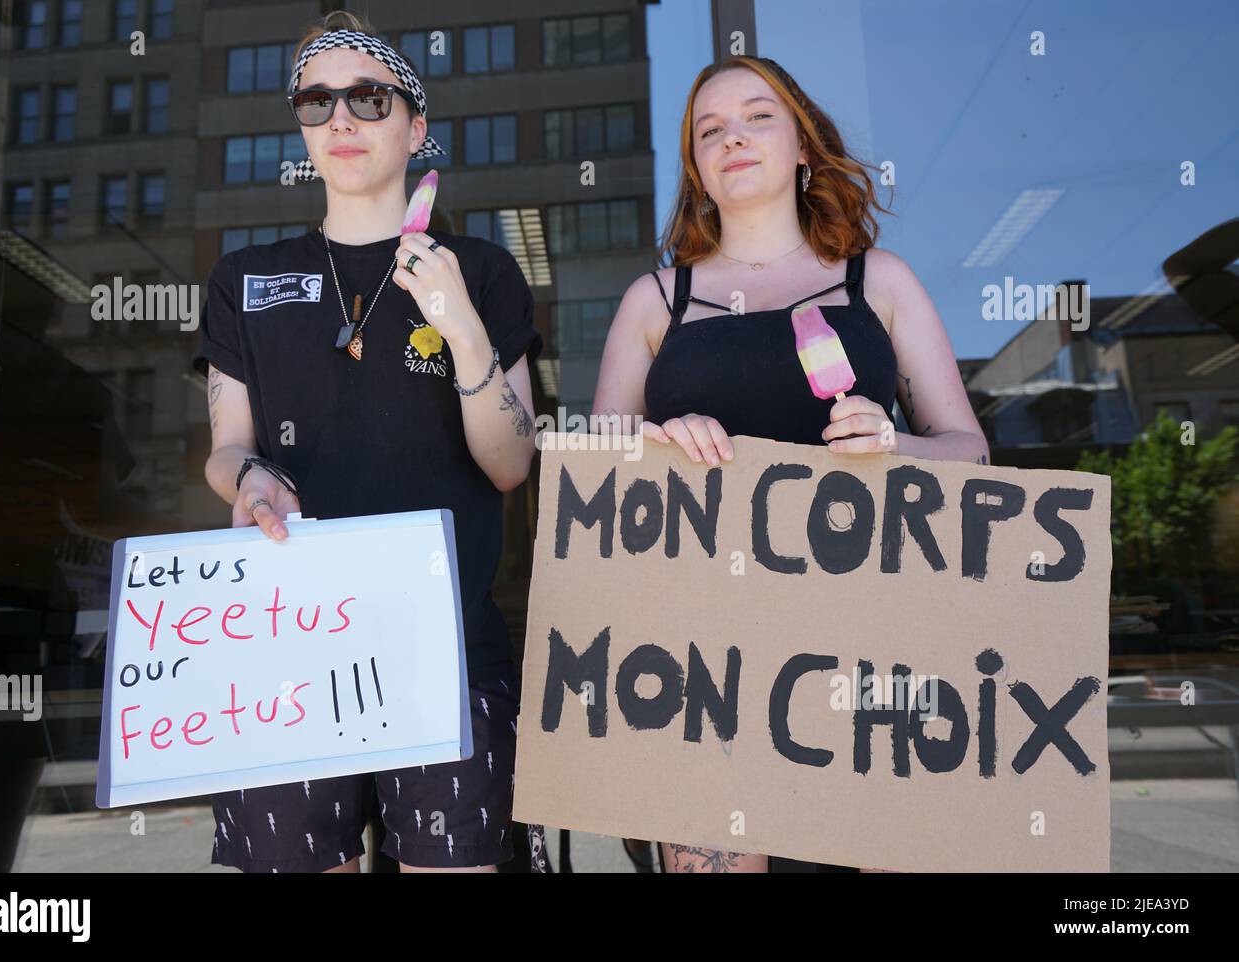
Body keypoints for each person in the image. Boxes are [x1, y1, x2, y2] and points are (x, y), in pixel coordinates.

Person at [592, 55, 989, 873]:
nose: (732, 136)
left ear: (803, 146)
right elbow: (591, 470)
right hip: (698, 661)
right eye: (709, 130)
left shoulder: (876, 283)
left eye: (757, 116)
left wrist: (895, 444)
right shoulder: (655, 302)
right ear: (698, 167)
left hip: (874, 645)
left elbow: (970, 452)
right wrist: (656, 445)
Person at [192, 11, 543, 873]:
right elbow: (227, 446)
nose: (340, 119)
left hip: (449, 645)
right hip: (286, 646)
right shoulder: (245, 279)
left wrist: (460, 327)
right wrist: (250, 480)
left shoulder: (483, 271)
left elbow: (511, 462)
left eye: (368, 97)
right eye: (317, 101)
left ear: (415, 126)